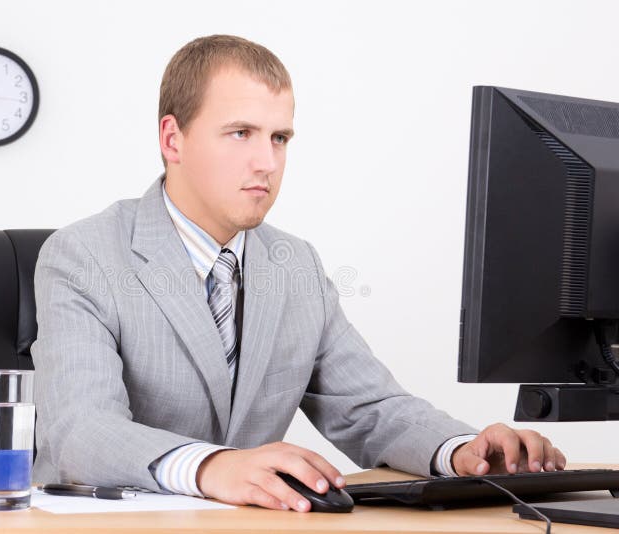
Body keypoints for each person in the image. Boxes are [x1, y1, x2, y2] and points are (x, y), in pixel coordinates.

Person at [31, 34, 566, 512]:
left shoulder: (294, 264)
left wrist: (462, 452)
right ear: (173, 139)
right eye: (240, 133)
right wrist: (212, 466)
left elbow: (369, 408)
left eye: (279, 138)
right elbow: (81, 430)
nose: (266, 161)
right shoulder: (85, 255)